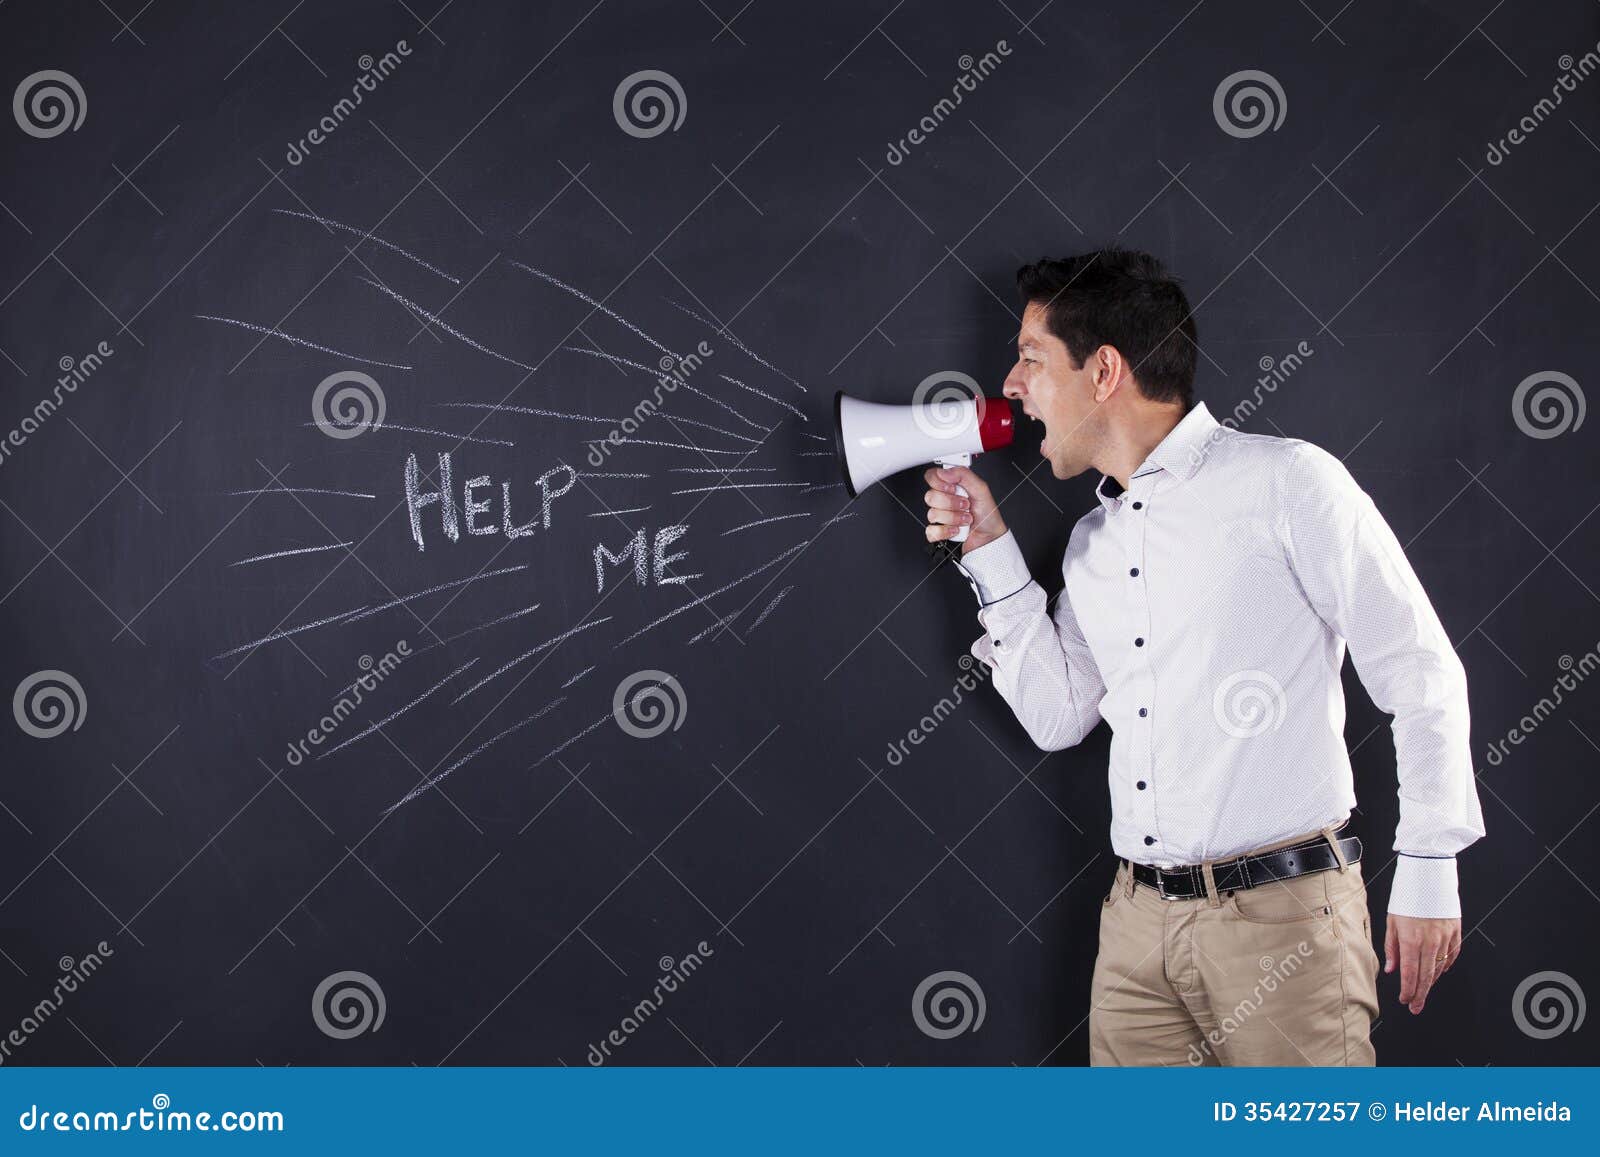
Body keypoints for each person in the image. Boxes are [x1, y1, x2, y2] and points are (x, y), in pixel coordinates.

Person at [922, 248, 1485, 1066]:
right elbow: (1058, 715)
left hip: (1285, 927)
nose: (1010, 384)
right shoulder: (1092, 546)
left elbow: (1420, 668)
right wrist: (992, 550)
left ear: (1105, 369)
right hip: (1135, 933)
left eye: (1033, 358)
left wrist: (1431, 864)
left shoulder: (1290, 483)